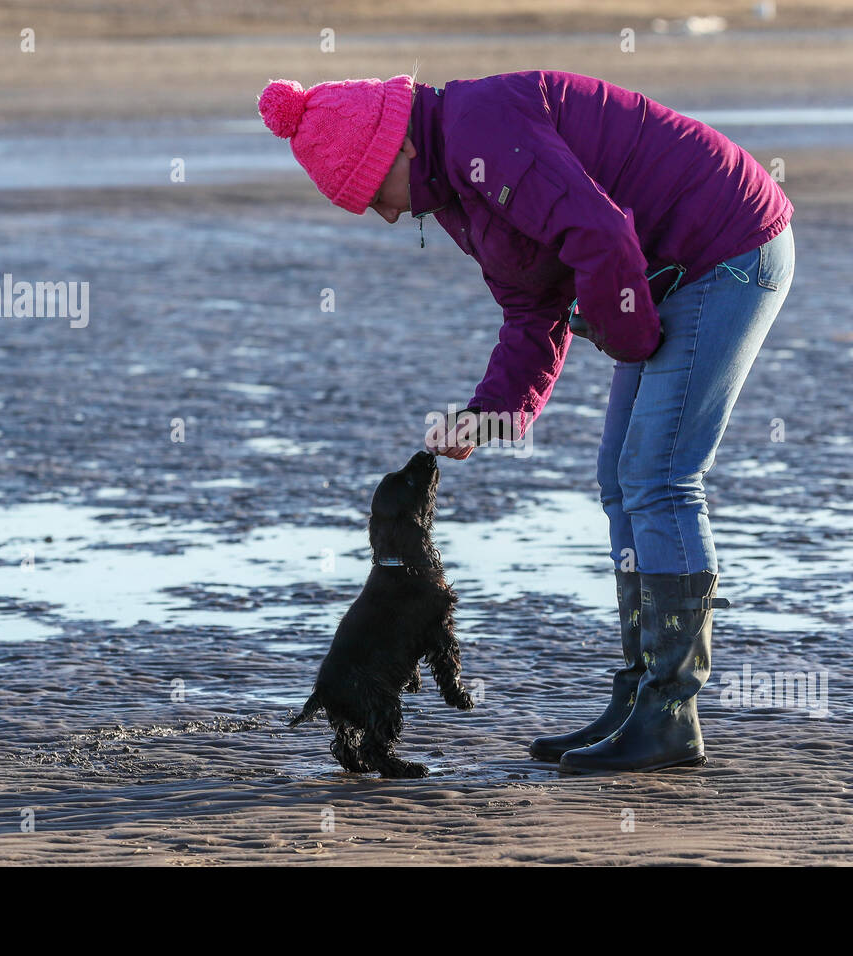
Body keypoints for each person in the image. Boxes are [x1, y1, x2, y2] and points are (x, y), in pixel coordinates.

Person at [260, 69, 794, 773]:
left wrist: (630, 339)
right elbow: (532, 304)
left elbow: (600, 235)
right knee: (621, 478)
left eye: (374, 194)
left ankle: (670, 713)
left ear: (399, 149)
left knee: (659, 477)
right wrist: (489, 415)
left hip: (724, 249)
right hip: (663, 272)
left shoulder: (484, 130)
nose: (386, 216)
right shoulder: (455, 191)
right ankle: (640, 696)